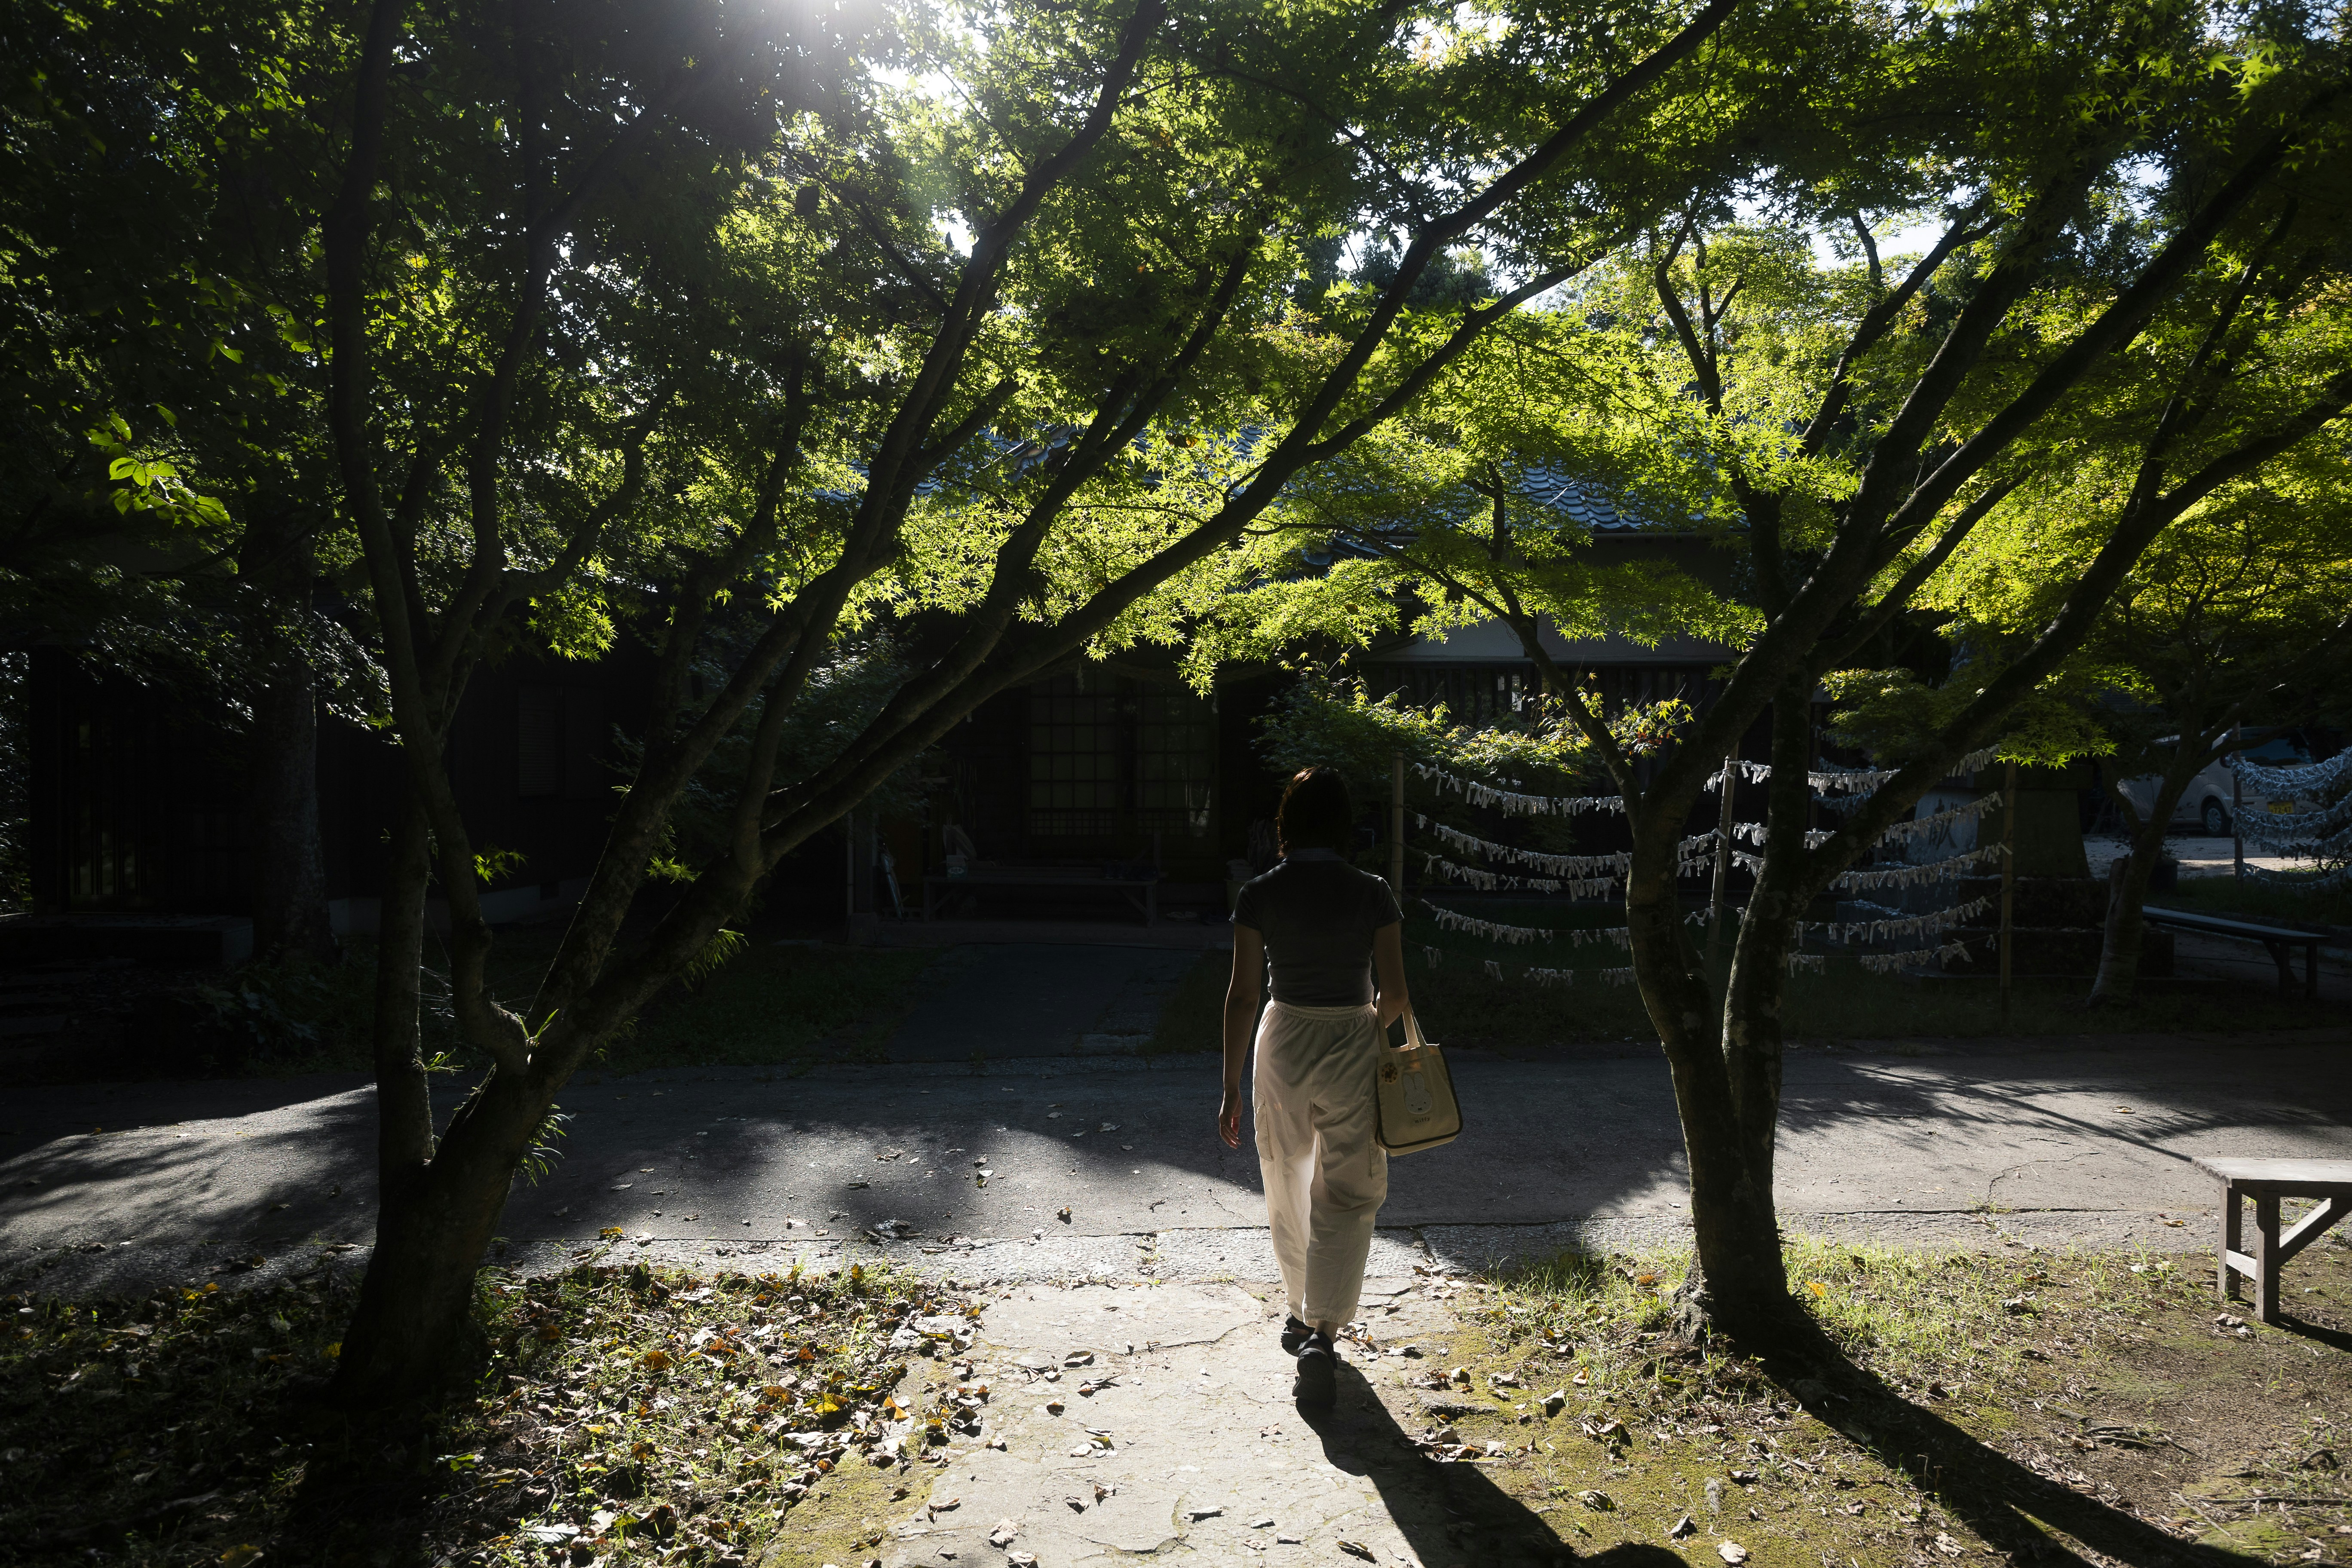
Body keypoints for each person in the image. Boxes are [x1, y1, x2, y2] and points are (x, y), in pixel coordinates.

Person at [1219, 766, 1410, 1408]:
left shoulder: (1260, 892)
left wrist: (1229, 1084)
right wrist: (1387, 1051)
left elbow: (1245, 993)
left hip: (1283, 1038)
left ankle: (1300, 1312)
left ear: (1288, 823)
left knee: (1287, 1176)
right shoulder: (1374, 893)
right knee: (1349, 1188)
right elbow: (1396, 996)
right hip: (1352, 1038)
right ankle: (1323, 1331)